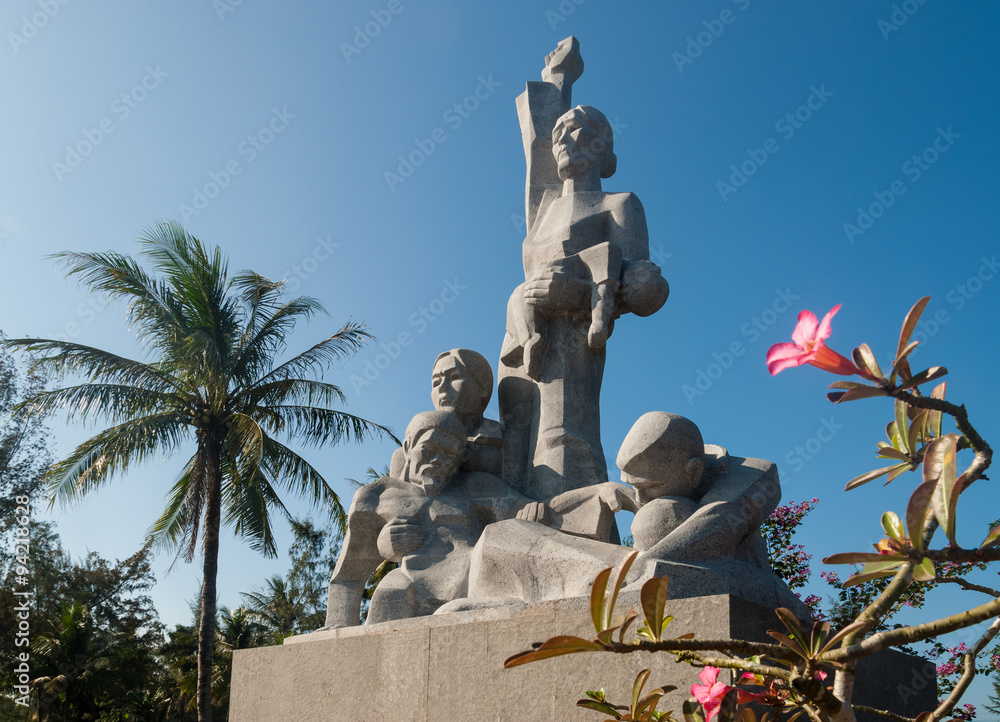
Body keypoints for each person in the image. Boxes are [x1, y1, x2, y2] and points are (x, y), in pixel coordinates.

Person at [500, 37, 669, 501]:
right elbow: (536, 153)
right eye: (560, 135)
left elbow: (642, 288)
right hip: (520, 332)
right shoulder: (546, 209)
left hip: (576, 334)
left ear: (603, 148)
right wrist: (558, 81)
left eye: (578, 132)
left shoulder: (619, 204)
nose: (563, 140)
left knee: (561, 433)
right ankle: (512, 528)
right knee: (515, 436)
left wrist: (584, 296)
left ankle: (574, 523)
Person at [324, 410, 543, 628]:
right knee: (388, 594)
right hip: (410, 580)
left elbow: (525, 508)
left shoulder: (474, 486)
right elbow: (349, 572)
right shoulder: (377, 495)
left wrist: (532, 513)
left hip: (470, 576)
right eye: (429, 450)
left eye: (449, 454)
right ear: (408, 446)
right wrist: (383, 545)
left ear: (461, 458)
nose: (438, 460)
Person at [389, 349, 502, 479]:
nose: (442, 387)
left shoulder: (501, 441)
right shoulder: (406, 453)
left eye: (455, 377)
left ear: (483, 387)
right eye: (436, 382)